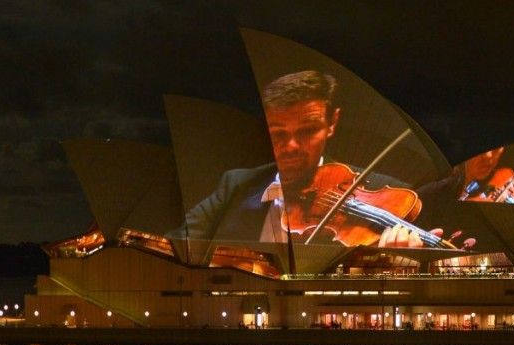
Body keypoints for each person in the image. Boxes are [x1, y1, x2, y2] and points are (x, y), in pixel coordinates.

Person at [180, 70, 445, 248]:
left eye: (307, 131)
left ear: (332, 122)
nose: (291, 146)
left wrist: (391, 261)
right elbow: (177, 244)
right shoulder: (236, 184)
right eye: (279, 134)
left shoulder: (389, 195)